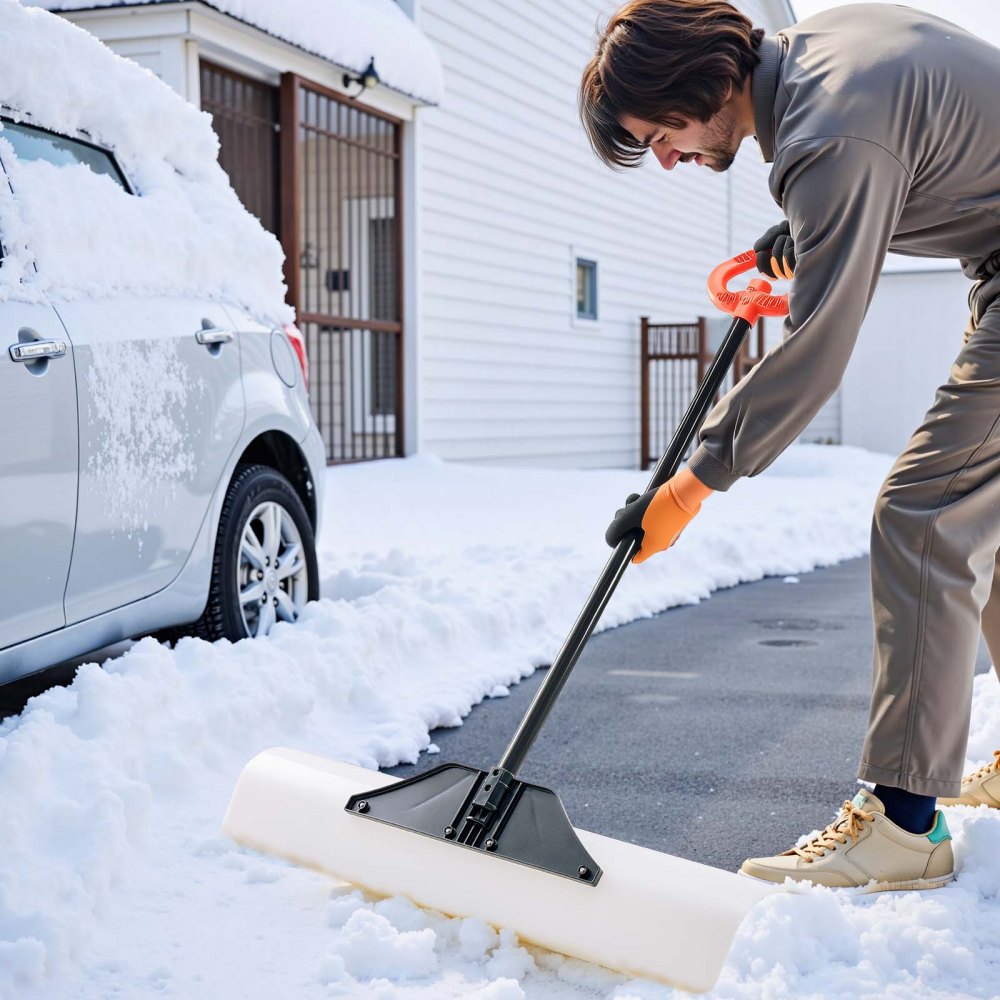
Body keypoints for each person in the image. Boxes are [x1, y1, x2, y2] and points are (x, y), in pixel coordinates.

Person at [580, 0, 1000, 891]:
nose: (667, 158)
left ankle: (903, 829)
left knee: (925, 512)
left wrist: (691, 485)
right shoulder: (818, 60)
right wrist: (809, 230)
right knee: (974, 511)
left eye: (660, 134)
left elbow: (816, 350)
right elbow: (905, 154)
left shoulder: (828, 133)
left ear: (699, 83)